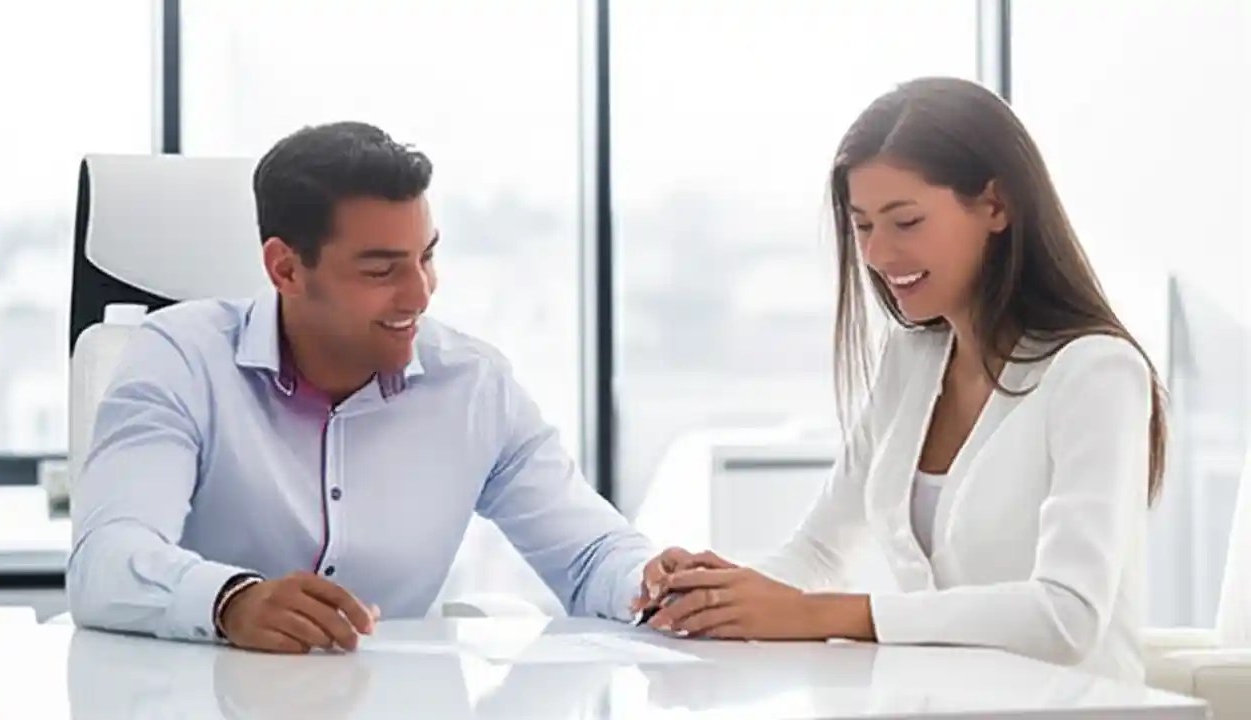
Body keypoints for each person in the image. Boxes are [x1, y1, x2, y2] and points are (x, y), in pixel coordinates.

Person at [633, 77, 1166, 683]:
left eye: (905, 221)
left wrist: (827, 615)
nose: (878, 256)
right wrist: (712, 592)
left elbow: (1066, 617)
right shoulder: (912, 361)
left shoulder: (1096, 372)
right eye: (862, 226)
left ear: (996, 206)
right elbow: (819, 553)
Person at [67, 121, 661, 653]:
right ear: (286, 269)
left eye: (425, 257)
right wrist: (230, 601)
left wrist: (661, 587)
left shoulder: (474, 386)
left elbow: (590, 555)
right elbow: (108, 559)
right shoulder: (180, 358)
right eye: (381, 271)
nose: (420, 294)